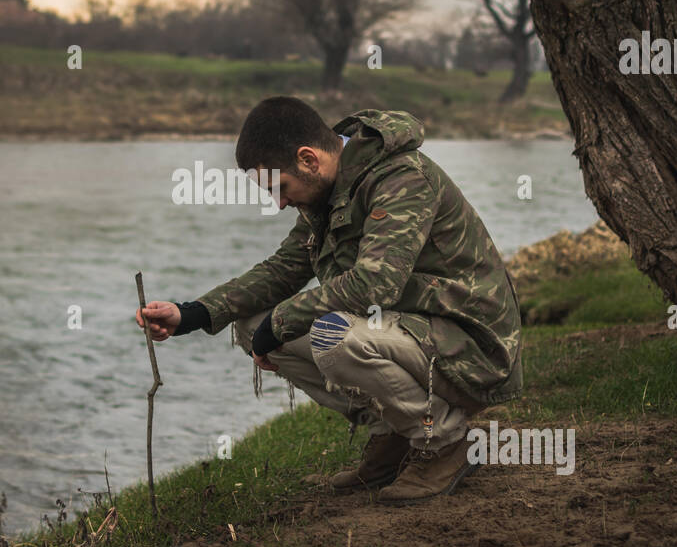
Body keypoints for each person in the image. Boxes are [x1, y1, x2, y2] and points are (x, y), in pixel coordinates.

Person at [137, 96, 523, 504]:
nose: (280, 203)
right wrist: (193, 313)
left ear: (308, 159)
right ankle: (390, 432)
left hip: (472, 348)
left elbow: (376, 286)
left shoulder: (401, 178)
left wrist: (284, 318)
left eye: (279, 188)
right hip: (413, 334)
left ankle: (446, 443)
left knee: (331, 336)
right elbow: (283, 269)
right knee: (252, 326)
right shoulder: (328, 193)